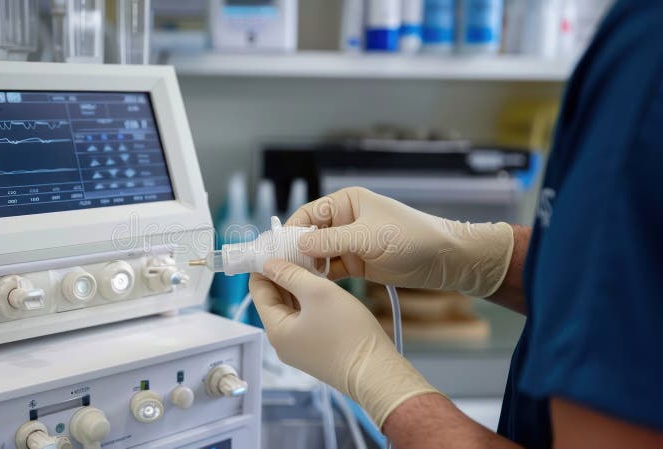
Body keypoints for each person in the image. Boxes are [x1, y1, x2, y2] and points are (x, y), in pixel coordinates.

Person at [248, 1, 663, 447]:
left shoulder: (648, 61)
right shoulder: (636, 38)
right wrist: (467, 255)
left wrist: (376, 379)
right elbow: (623, 279)